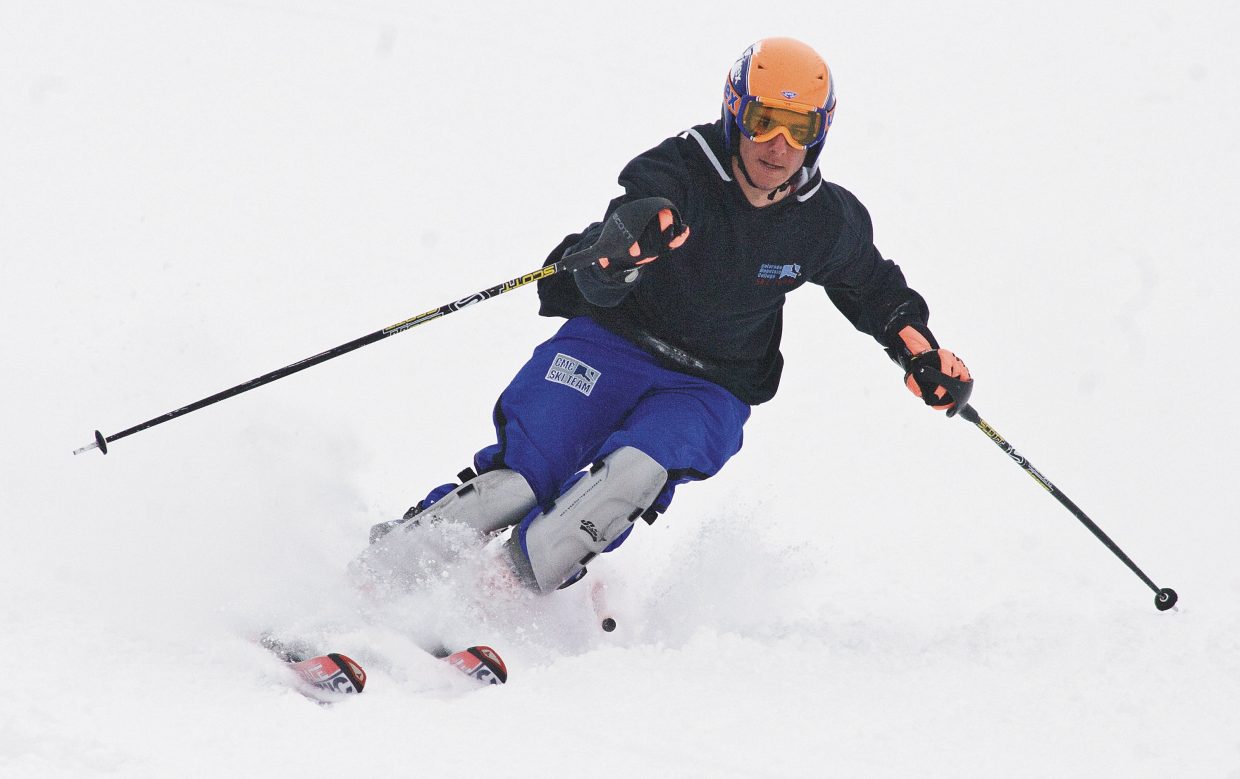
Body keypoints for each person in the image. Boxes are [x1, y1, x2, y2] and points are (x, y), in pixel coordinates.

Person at [370, 37, 972, 594]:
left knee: (628, 478)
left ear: (820, 133)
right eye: (764, 121)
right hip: (611, 344)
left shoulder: (824, 219)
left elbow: (872, 287)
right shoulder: (684, 167)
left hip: (710, 385)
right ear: (735, 112)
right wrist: (630, 240)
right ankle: (387, 570)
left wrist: (919, 352)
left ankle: (498, 599)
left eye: (800, 128)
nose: (778, 146)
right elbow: (635, 213)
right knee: (522, 479)